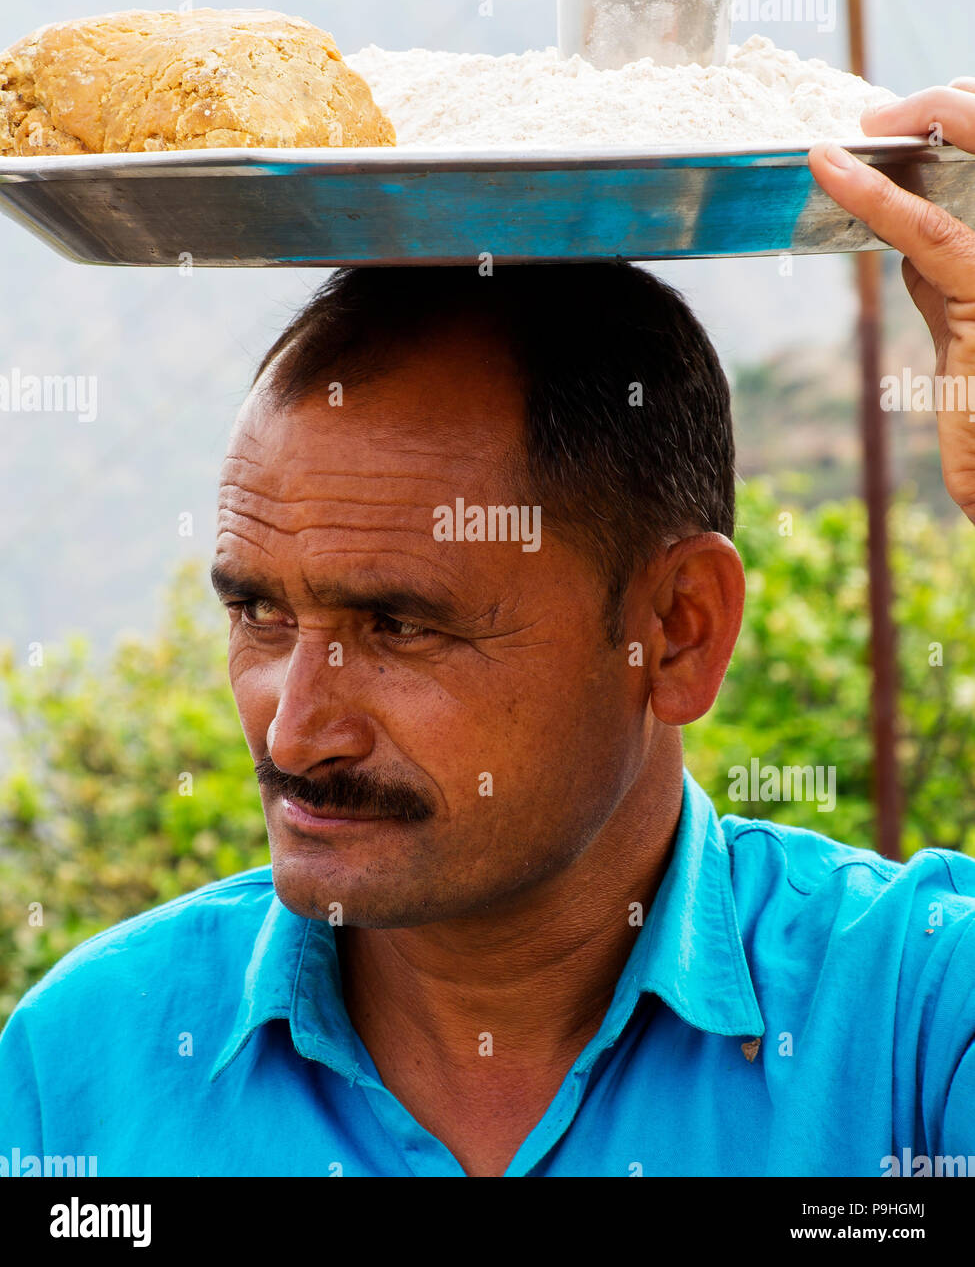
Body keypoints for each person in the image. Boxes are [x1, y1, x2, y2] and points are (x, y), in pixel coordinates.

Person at [2, 89, 975, 1179]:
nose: (293, 732)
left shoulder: (912, 1028)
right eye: (261, 613)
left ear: (678, 632)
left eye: (399, 626)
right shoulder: (84, 1068)